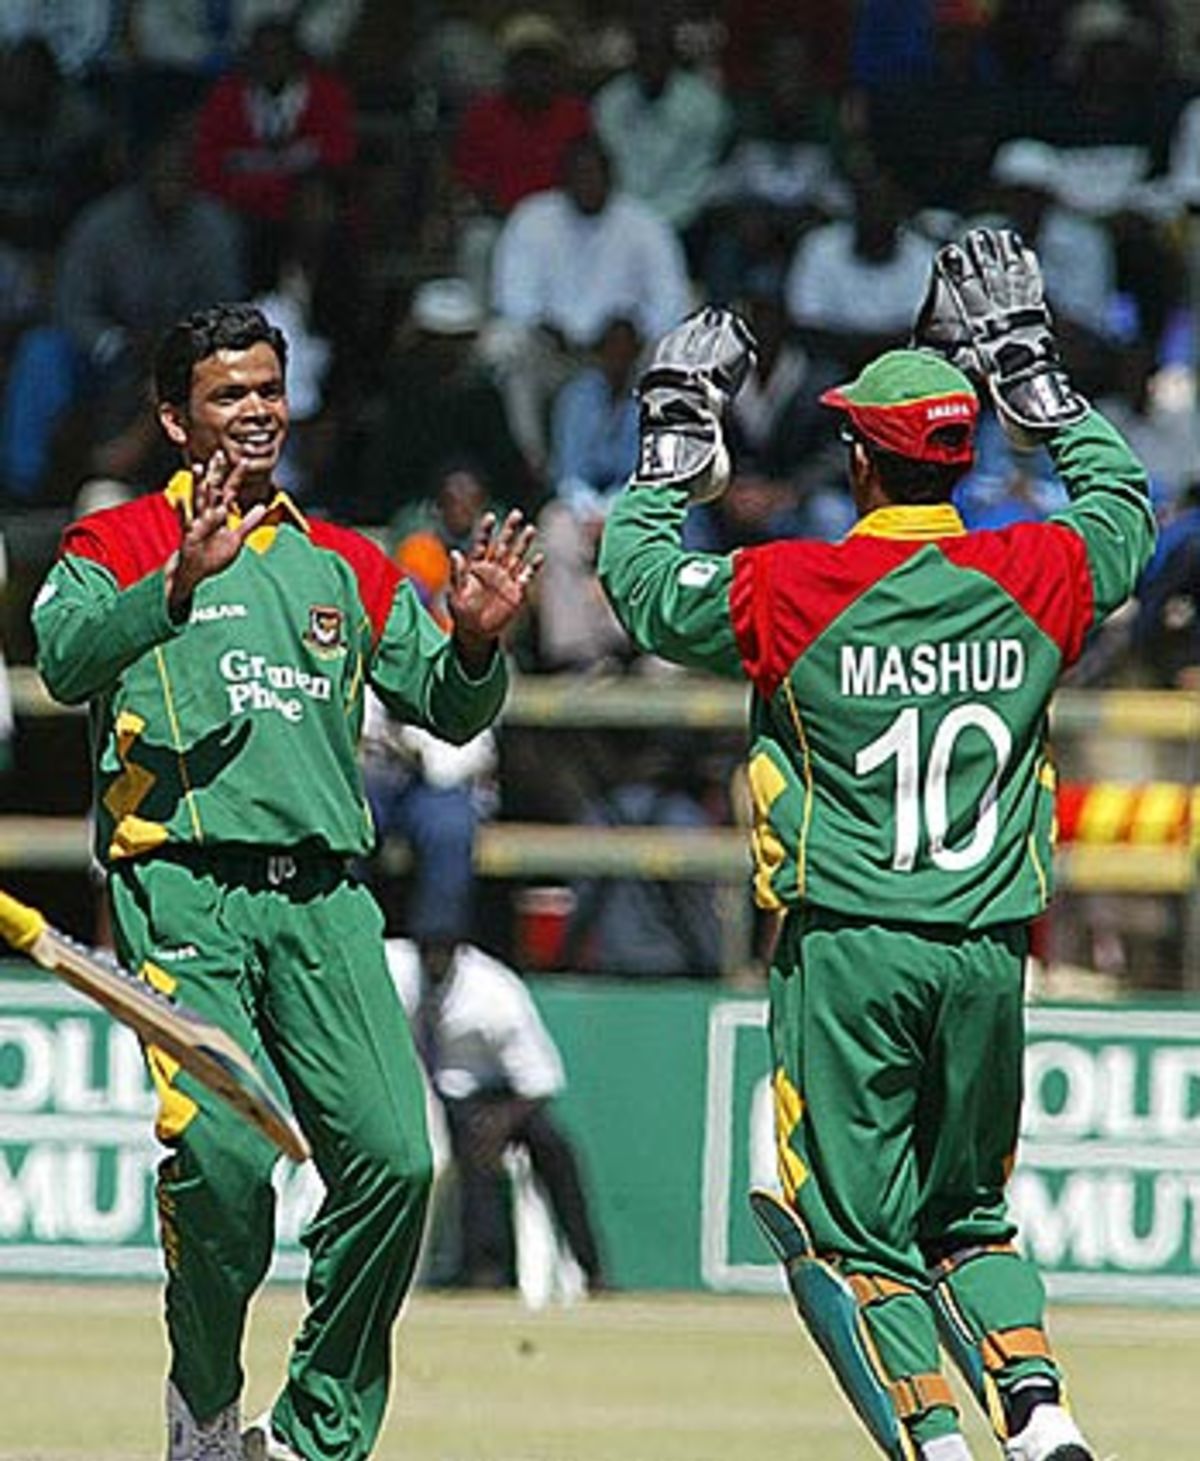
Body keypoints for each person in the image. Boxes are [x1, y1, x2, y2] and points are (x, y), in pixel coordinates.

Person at [598, 231, 1155, 1461]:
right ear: (961, 451)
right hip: (988, 949)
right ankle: (1041, 1412)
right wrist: (1037, 377)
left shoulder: (790, 588)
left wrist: (673, 436)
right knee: (970, 1214)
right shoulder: (1040, 569)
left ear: (856, 458)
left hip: (850, 946)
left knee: (856, 1235)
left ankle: (938, 1443)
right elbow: (1124, 510)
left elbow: (636, 586)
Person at [31, 301, 540, 1461]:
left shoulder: (345, 561)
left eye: (269, 390)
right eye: (227, 396)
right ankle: (205, 1416)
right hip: (184, 889)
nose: (256, 413)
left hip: (323, 899)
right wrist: (172, 584)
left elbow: (450, 708)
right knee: (220, 1160)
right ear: (174, 418)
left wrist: (474, 642)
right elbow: (61, 661)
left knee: (400, 1164)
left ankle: (311, 1440)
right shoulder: (115, 542)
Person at [386, 933, 607, 1294]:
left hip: (501, 1094)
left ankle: (591, 1268)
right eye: (426, 950)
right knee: (464, 1145)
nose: (433, 962)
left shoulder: (494, 991)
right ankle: (482, 1270)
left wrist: (500, 1123)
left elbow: (540, 1082)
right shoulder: (395, 968)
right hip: (429, 1087)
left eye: (442, 952)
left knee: (553, 1147)